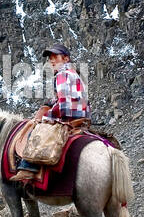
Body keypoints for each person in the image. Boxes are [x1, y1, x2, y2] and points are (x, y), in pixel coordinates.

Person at [12, 42, 89, 182]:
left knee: (35, 130)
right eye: (50, 58)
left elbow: (64, 104)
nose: (51, 60)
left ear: (66, 59)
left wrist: (46, 117)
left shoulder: (62, 74)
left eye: (55, 57)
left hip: (70, 117)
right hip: (82, 117)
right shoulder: (74, 73)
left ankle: (28, 168)